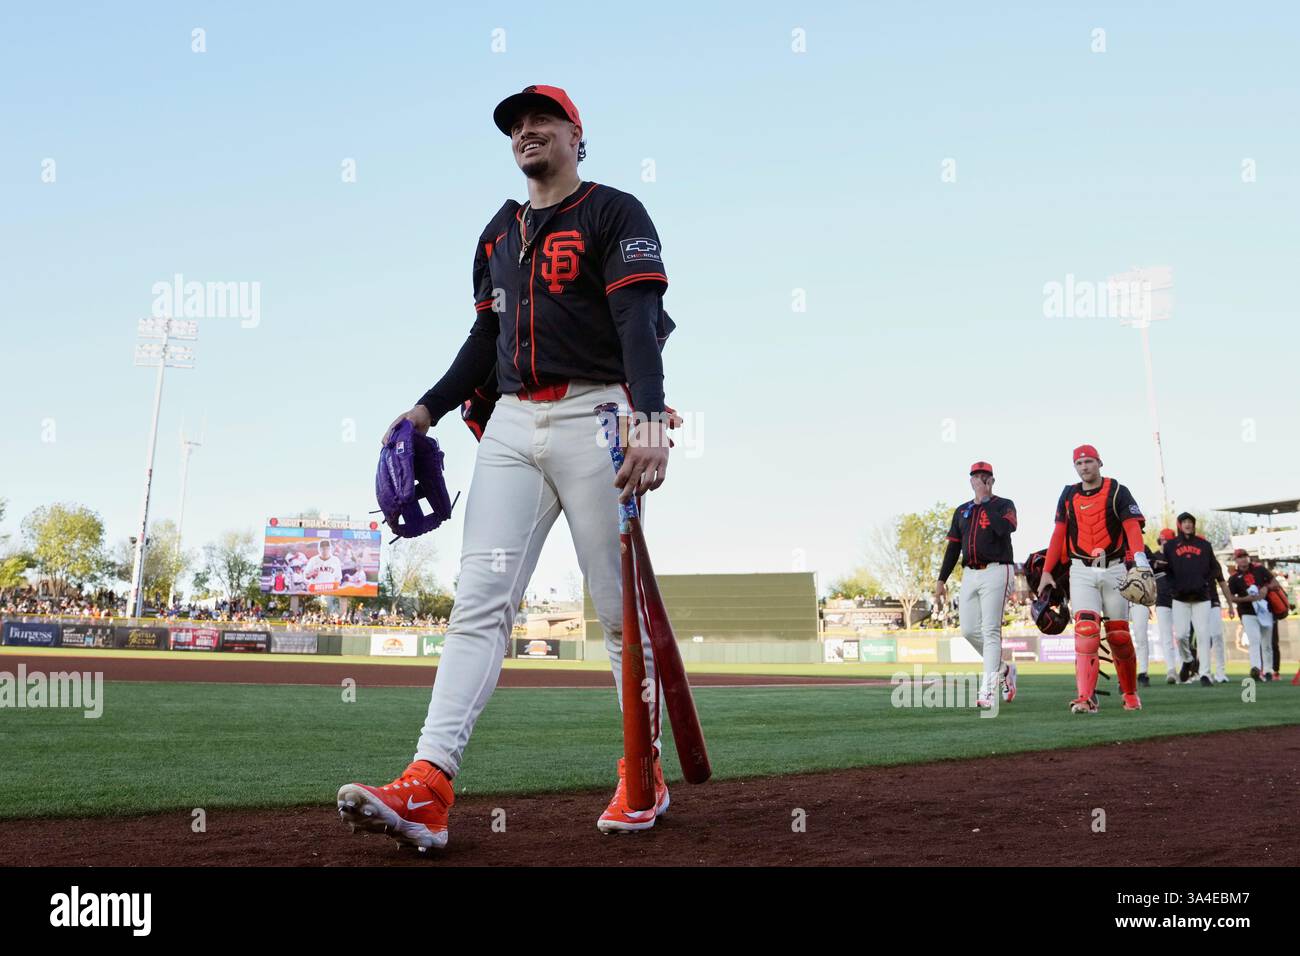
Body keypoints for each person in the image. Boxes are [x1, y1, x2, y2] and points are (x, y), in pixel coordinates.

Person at [337, 85, 677, 851]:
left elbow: (637, 322)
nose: (525, 132)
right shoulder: (498, 232)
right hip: (515, 425)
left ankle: (642, 774)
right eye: (515, 126)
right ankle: (428, 783)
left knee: (619, 615)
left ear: (575, 135)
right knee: (480, 602)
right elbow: (482, 343)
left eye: (540, 121)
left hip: (601, 415)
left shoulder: (615, 211)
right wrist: (423, 409)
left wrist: (648, 414)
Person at [1036, 444, 1151, 714]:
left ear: (1099, 462)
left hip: (1114, 568)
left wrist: (1140, 560)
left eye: (1088, 461)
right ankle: (1085, 698)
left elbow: (1132, 527)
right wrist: (1046, 571)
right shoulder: (1068, 495)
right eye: (1079, 463)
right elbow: (1058, 534)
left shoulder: (1117, 490)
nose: (1084, 467)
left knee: (1119, 635)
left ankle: (1130, 693)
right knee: (1086, 632)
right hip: (1082, 569)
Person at [934, 461, 1018, 708]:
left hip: (997, 569)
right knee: (969, 630)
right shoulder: (962, 511)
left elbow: (1004, 529)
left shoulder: (1004, 505)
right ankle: (1003, 669)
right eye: (976, 477)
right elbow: (953, 547)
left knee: (991, 630)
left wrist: (985, 501)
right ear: (970, 481)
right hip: (970, 572)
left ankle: (987, 692)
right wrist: (941, 579)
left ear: (992, 481)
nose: (980, 480)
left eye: (984, 477)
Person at [1161, 513, 1233, 685]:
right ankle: (1187, 660)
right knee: (1180, 635)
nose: (1187, 524)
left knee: (1203, 635)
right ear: (1179, 525)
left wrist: (1204, 582)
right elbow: (1167, 570)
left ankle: (1205, 674)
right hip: (1180, 598)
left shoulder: (1204, 545)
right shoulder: (1170, 546)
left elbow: (1215, 569)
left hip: (1202, 597)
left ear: (1194, 524)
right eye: (1184, 522)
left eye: (1190, 522)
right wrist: (1174, 587)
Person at [1227, 549, 1280, 681]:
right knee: (1254, 640)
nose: (1243, 559)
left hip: (1265, 610)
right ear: (1236, 561)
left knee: (1267, 643)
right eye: (1239, 557)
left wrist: (1266, 588)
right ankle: (1256, 668)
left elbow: (1276, 584)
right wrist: (1247, 599)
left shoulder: (1260, 570)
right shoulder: (1234, 578)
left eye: (1244, 556)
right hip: (1247, 612)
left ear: (1248, 558)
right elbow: (1231, 597)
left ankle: (1268, 670)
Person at [1130, 531, 1173, 686]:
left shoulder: (1143, 548)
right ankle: (1125, 674)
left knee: (1140, 635)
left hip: (1139, 597)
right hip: (1117, 595)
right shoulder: (1116, 546)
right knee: (1119, 637)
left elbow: (1151, 572)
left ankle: (1142, 672)